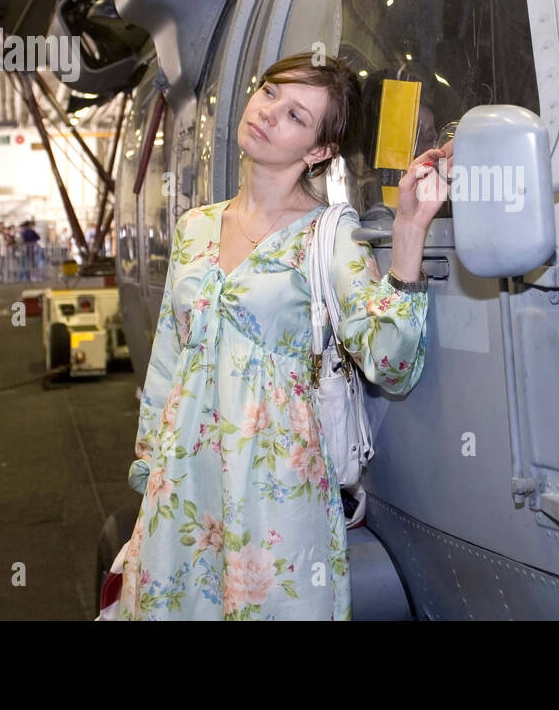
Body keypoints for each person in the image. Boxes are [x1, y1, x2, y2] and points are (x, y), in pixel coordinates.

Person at [118, 52, 451, 621]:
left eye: (296, 116)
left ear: (318, 152)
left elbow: (390, 362)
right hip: (182, 489)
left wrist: (410, 229)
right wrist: (149, 479)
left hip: (275, 491)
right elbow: (168, 364)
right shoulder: (195, 226)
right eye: (271, 93)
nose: (269, 113)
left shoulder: (327, 233)